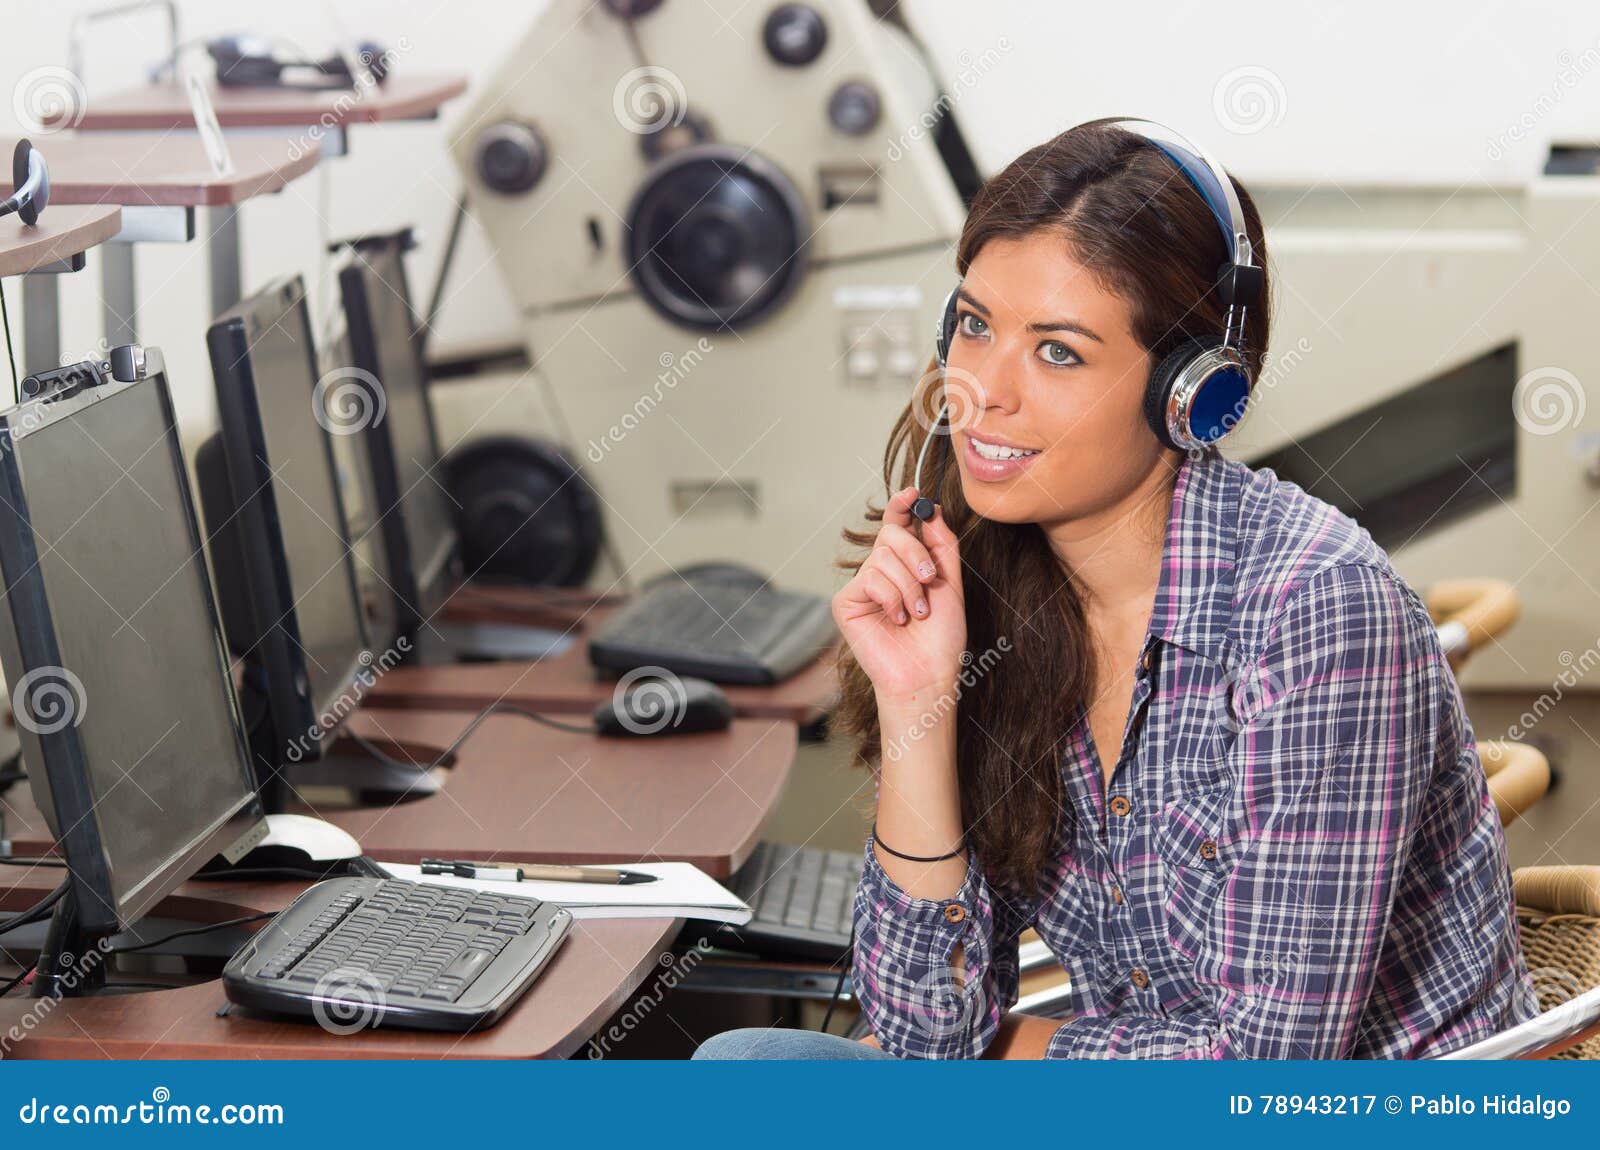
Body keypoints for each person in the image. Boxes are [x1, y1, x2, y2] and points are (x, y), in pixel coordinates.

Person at [694, 118, 1539, 1061]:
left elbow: (1261, 1070)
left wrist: (1023, 1050)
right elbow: (925, 1036)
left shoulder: (1315, 611)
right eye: (974, 326)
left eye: (1058, 351)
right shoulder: (1001, 585)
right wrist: (918, 707)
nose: (980, 391)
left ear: (1193, 391)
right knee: (745, 1067)